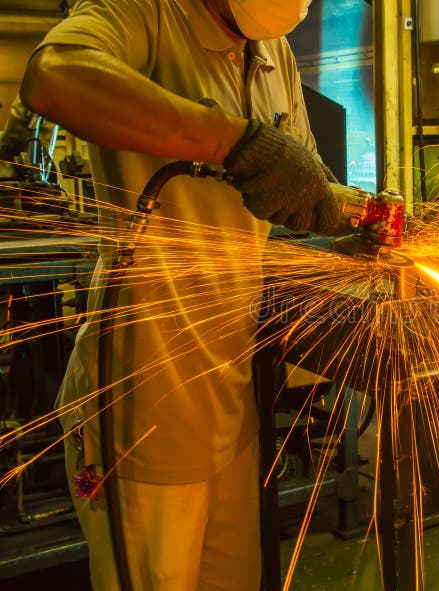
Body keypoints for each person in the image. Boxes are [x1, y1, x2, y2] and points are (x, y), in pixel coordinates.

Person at [20, 0, 338, 588]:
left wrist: (357, 214)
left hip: (233, 391)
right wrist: (233, 141)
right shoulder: (146, 12)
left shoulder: (273, 51)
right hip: (149, 390)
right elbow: (53, 76)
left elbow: (306, 175)